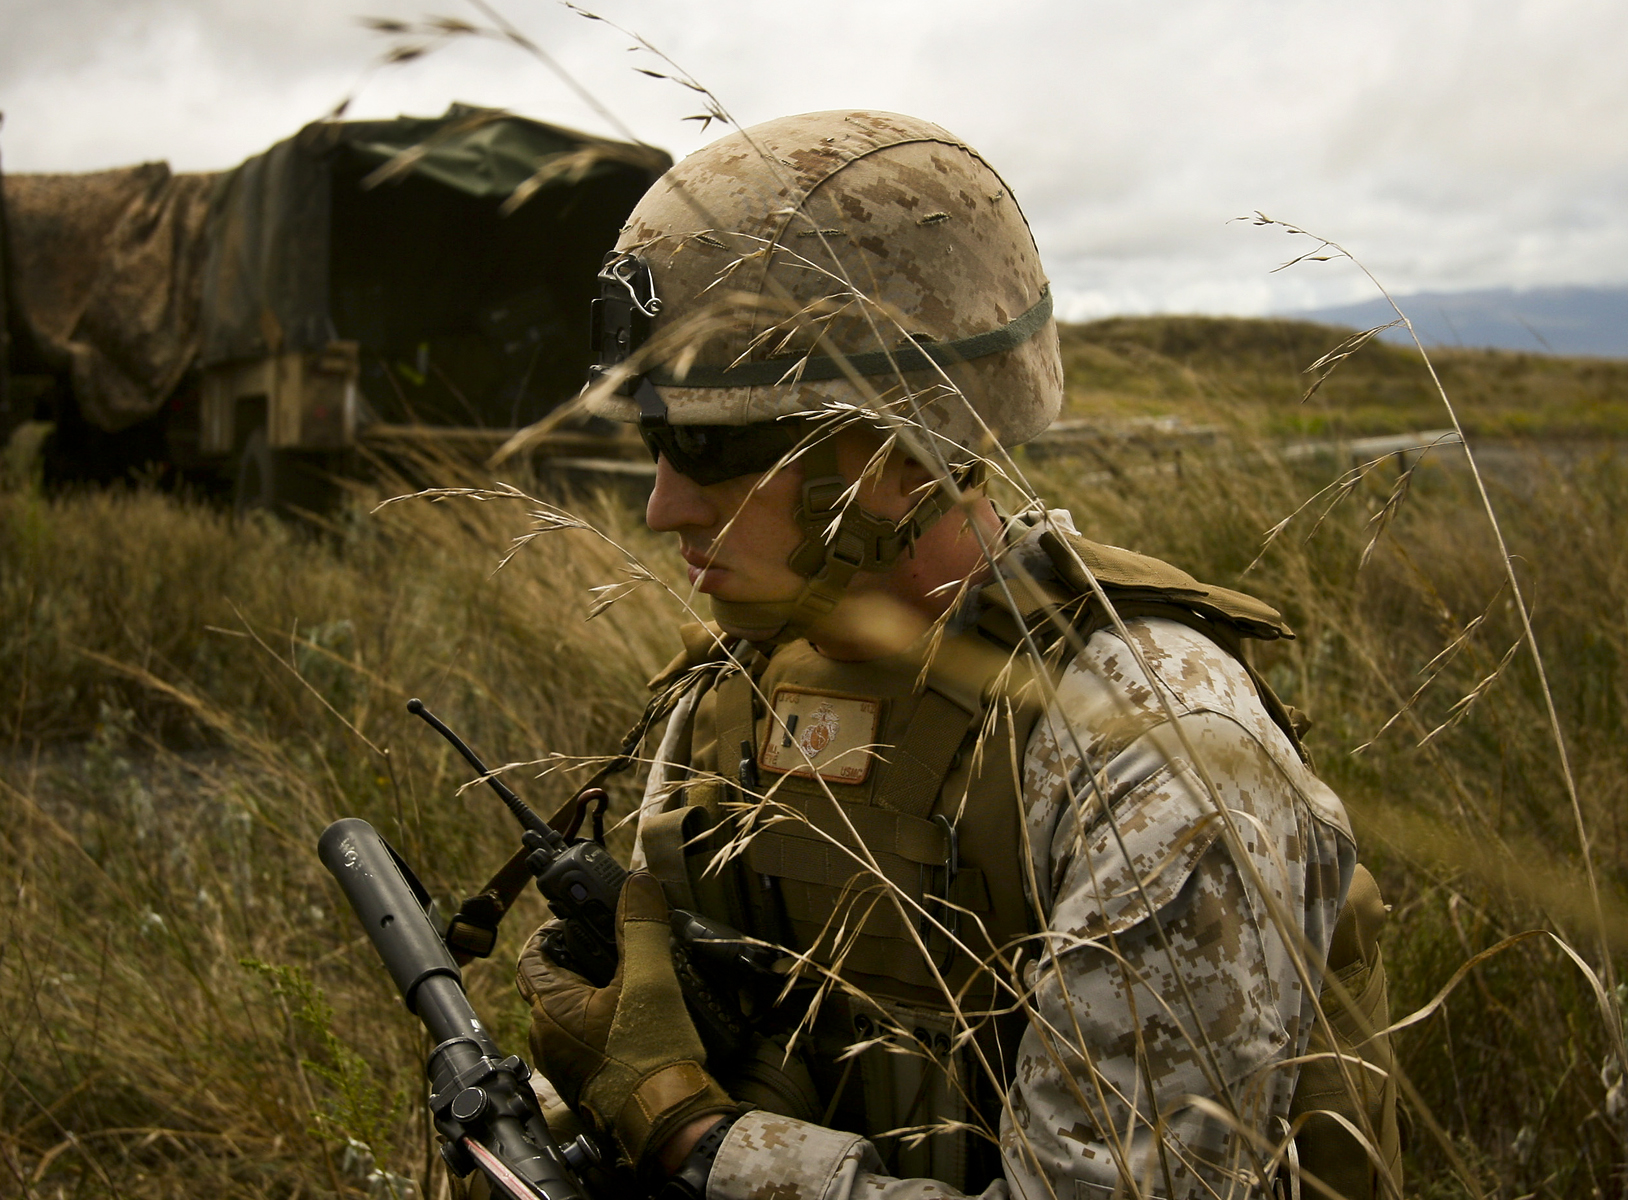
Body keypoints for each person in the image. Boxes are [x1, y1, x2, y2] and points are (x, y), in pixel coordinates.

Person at [513, 110, 1400, 1200]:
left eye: (709, 445)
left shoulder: (1154, 749)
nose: (662, 508)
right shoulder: (729, 693)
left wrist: (696, 1144)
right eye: (655, 442)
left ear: (907, 450)